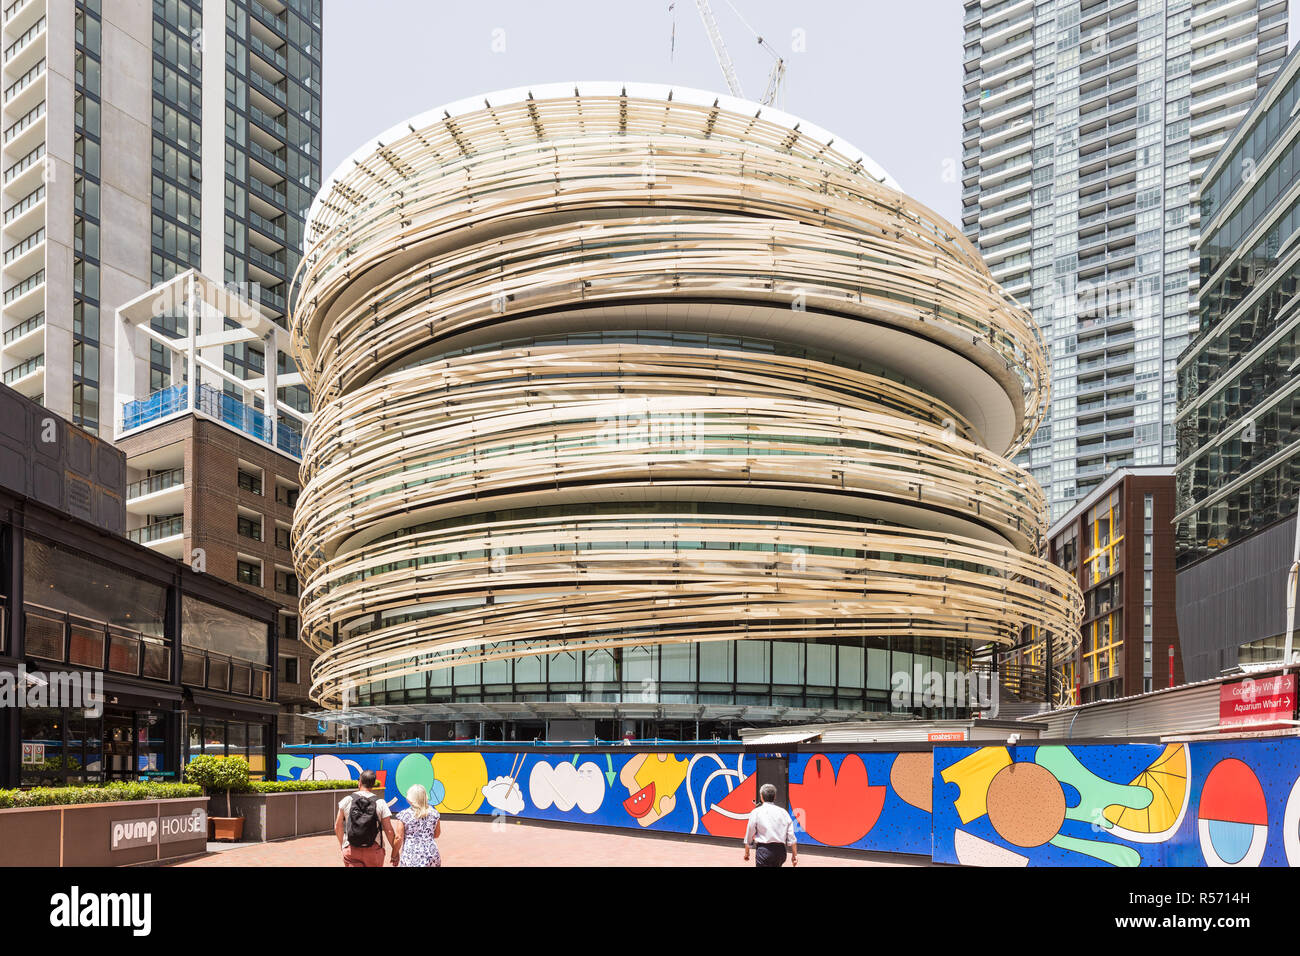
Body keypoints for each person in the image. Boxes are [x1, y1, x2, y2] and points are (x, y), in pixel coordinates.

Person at [335, 770, 397, 867]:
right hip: (374, 852)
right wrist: (395, 851)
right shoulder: (380, 803)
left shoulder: (347, 800)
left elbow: (338, 826)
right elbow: (389, 830)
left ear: (359, 782)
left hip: (351, 850)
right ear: (373, 785)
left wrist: (343, 845)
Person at [743, 783, 798, 867]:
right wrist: (794, 855)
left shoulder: (756, 812)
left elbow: (750, 833)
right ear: (774, 796)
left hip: (764, 851)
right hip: (780, 852)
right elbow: (791, 835)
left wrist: (747, 852)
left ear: (761, 796)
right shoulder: (783, 812)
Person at [389, 783, 442, 867]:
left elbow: (398, 838)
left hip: (411, 855)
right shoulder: (434, 813)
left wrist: (394, 855)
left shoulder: (404, 815)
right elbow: (437, 834)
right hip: (431, 854)